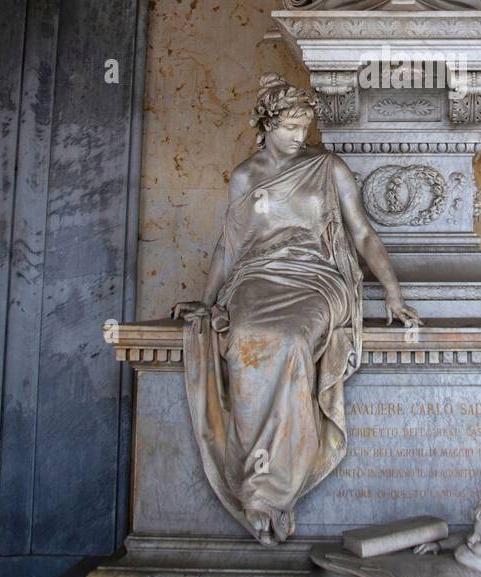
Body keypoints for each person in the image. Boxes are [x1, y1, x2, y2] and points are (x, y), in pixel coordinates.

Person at [174, 74, 420, 545]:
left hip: (317, 277)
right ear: (266, 123)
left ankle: (271, 490)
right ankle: (256, 473)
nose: (298, 136)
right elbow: (229, 246)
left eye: (304, 127)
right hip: (258, 276)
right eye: (289, 127)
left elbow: (362, 234)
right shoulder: (246, 176)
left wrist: (392, 292)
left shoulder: (328, 167)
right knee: (244, 337)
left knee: (289, 341)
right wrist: (206, 302)